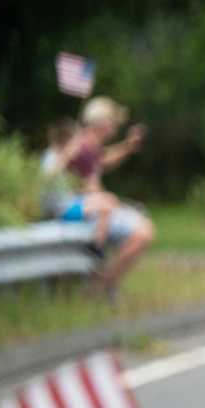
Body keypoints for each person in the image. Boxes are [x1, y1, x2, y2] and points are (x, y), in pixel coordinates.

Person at [62, 97, 154, 292]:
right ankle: (103, 285)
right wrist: (120, 204)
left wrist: (128, 146)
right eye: (112, 121)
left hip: (92, 209)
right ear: (101, 124)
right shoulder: (84, 148)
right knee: (144, 232)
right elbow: (92, 189)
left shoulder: (89, 146)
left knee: (143, 228)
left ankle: (103, 282)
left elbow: (104, 158)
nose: (116, 125)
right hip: (86, 211)